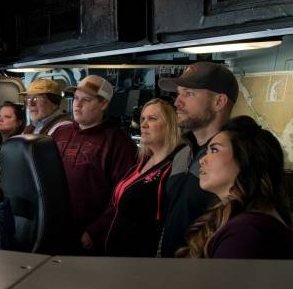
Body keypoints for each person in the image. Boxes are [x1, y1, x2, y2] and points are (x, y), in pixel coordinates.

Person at [178, 116, 293, 259]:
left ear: (246, 158)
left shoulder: (246, 232)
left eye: (214, 150)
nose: (202, 160)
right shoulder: (249, 222)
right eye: (206, 152)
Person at [155, 62, 237, 257]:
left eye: (189, 94)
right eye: (179, 93)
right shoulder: (182, 154)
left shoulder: (235, 159)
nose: (177, 102)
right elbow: (171, 218)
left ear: (219, 102)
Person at [52, 75, 136, 252]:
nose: (77, 105)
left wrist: (96, 231)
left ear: (103, 104)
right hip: (53, 227)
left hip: (88, 236)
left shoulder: (119, 142)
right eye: (75, 98)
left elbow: (123, 195)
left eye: (86, 100)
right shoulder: (60, 133)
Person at [95, 99, 184, 256]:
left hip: (141, 258)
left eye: (152, 119)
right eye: (142, 119)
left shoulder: (174, 166)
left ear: (170, 125)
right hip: (115, 253)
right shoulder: (143, 161)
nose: (143, 124)